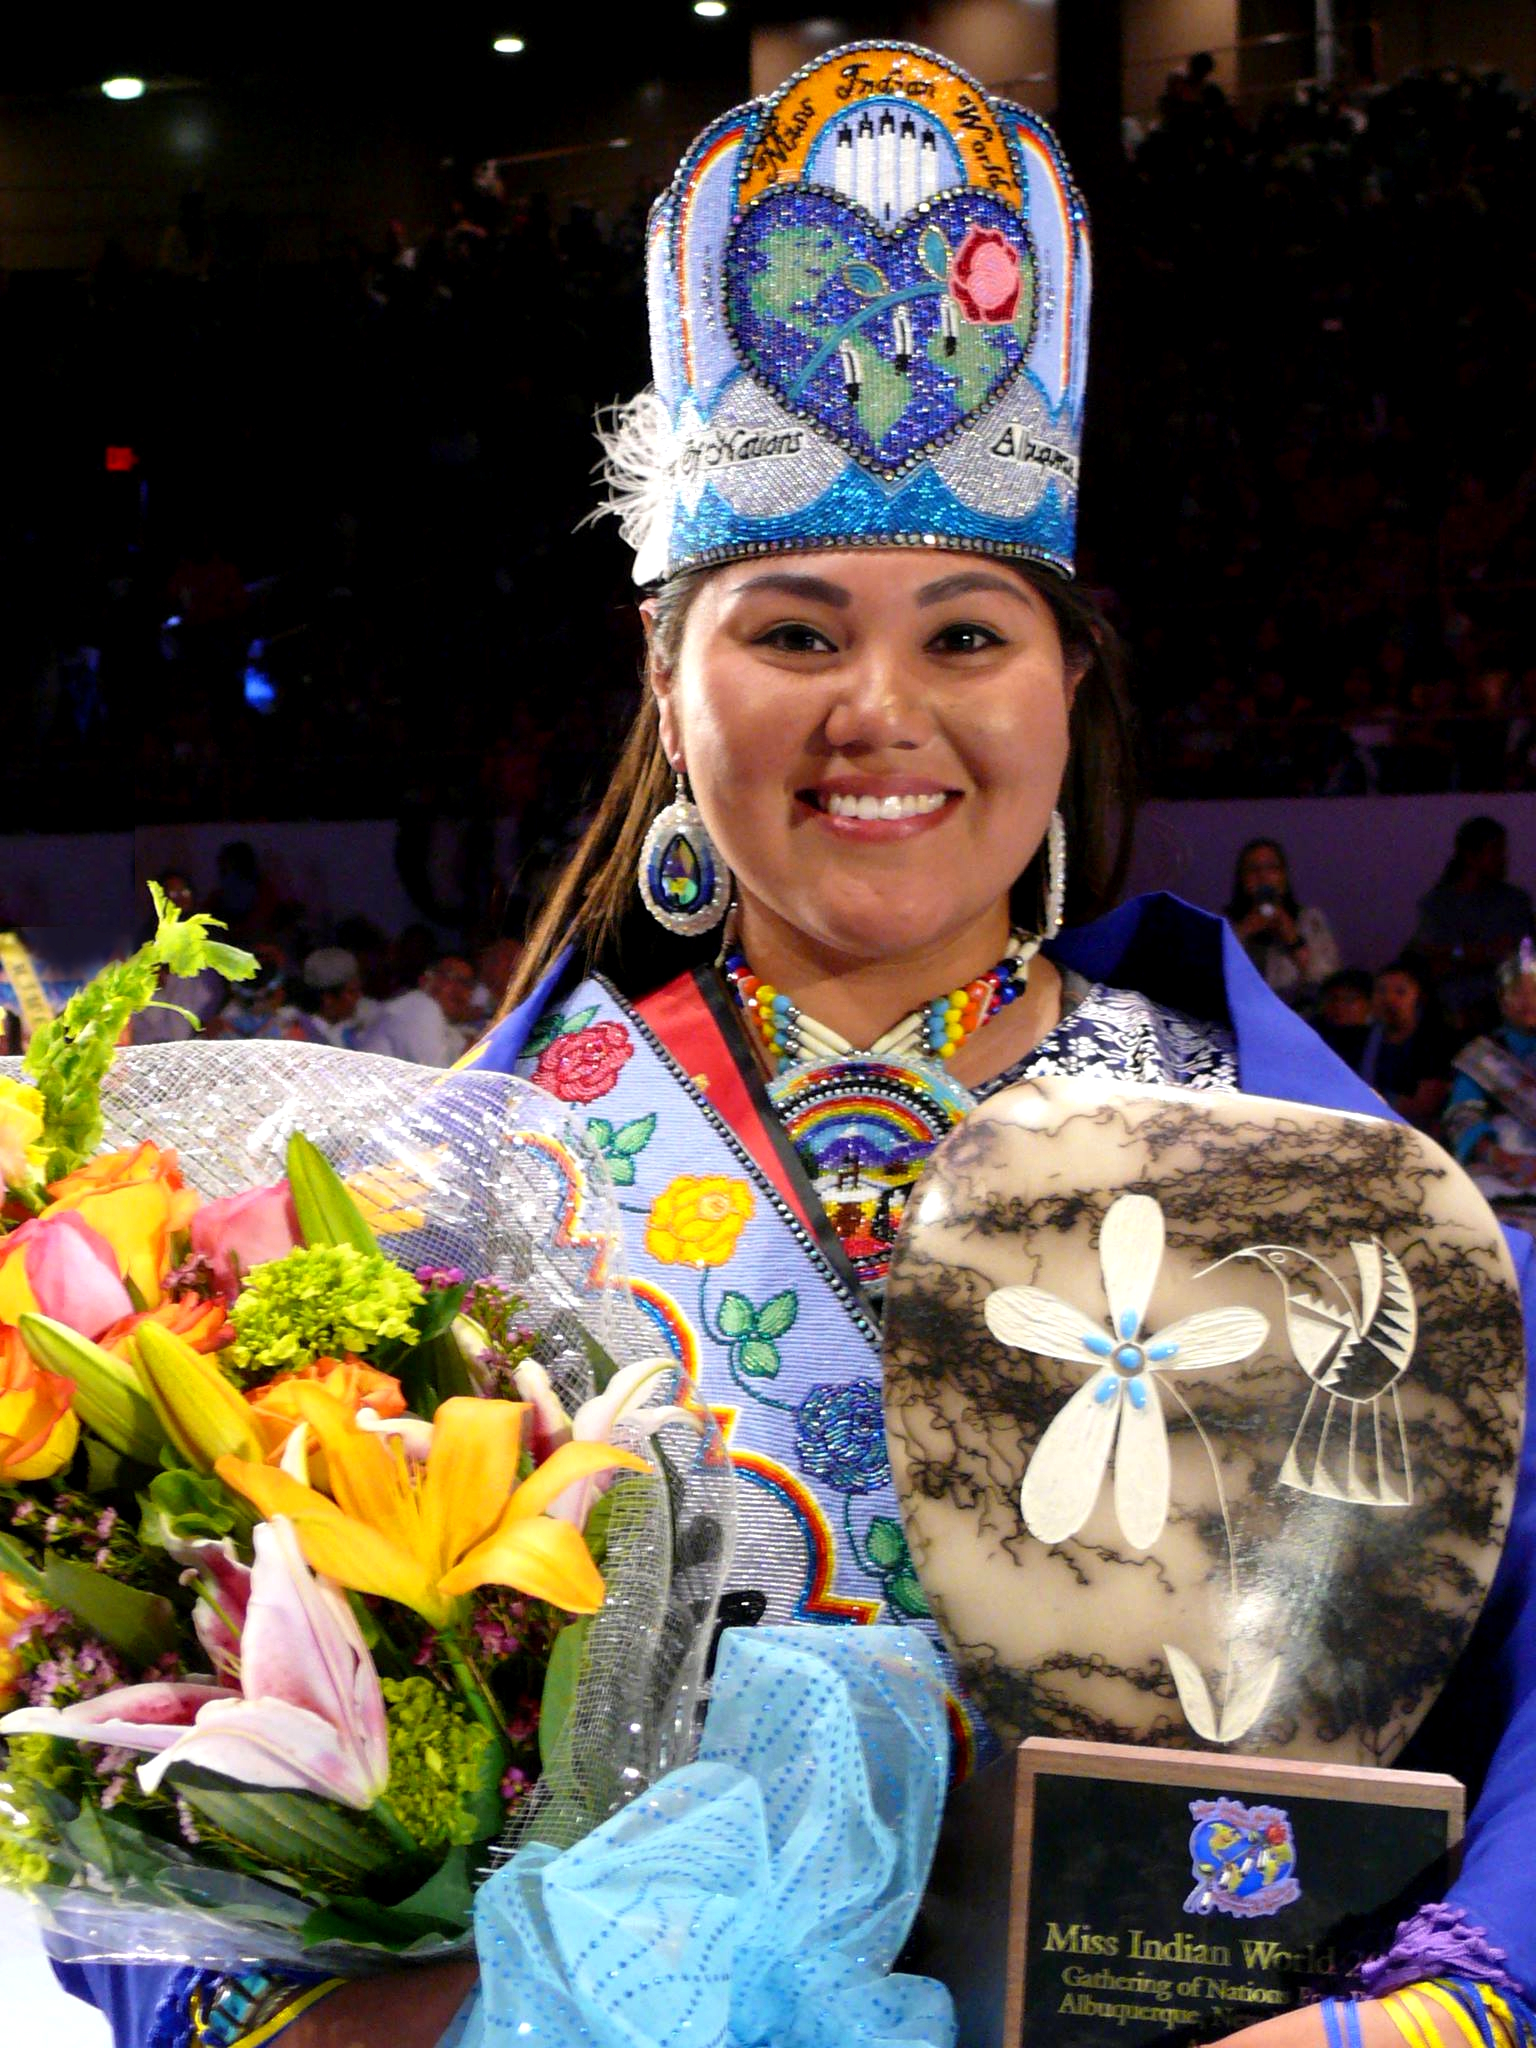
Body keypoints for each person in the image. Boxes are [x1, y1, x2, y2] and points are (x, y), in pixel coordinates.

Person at [66, 44, 1536, 2048]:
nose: (880, 711)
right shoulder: (437, 1208)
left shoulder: (1287, 1150)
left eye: (964, 634)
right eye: (791, 632)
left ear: (1066, 686)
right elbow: (161, 1789)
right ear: (668, 680)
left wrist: (1441, 2011)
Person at [1411, 816, 1535, 1036]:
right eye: (1495, 850)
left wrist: (1454, 954)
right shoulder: (1438, 903)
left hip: (1498, 1002)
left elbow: (1509, 954)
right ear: (1470, 856)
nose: (1502, 859)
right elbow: (1427, 952)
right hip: (1445, 1002)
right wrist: (1472, 954)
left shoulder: (1514, 902)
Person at [1445, 941, 1536, 1209]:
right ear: (1502, 1001)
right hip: (1503, 1169)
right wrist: (1499, 1156)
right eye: (1518, 992)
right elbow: (1462, 1115)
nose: (1528, 1000)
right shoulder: (1483, 1057)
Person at [1223, 837, 1340, 1010]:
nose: (1263, 877)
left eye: (1272, 868)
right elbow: (1209, 974)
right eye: (1254, 869)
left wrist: (1292, 938)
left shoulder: (1309, 920)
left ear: (1283, 877)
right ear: (1242, 878)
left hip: (1297, 1015)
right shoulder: (1225, 923)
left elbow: (1327, 980)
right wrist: (1244, 931)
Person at [1360, 957, 1453, 1130]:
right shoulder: (1364, 1038)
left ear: (1418, 998)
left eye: (1400, 992)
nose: (1389, 999)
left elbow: (1425, 1105)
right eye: (1381, 991)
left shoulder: (1435, 1041)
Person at [357, 953, 476, 1065]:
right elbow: (436, 1077)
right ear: (425, 980)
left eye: (467, 984)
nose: (460, 991)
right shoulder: (418, 1007)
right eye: (451, 978)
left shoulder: (449, 1028)